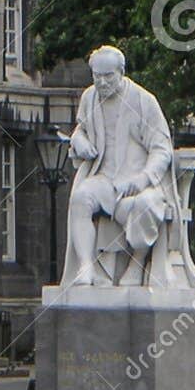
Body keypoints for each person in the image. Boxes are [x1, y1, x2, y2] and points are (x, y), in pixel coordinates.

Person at [61, 45, 177, 288]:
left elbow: (162, 148)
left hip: (139, 182)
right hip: (104, 178)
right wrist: (79, 141)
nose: (102, 83)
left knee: (145, 205)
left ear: (121, 72)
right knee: (80, 198)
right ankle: (86, 267)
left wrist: (143, 178)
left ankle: (137, 263)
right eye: (97, 76)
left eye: (108, 76)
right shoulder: (89, 97)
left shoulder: (144, 101)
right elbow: (80, 129)